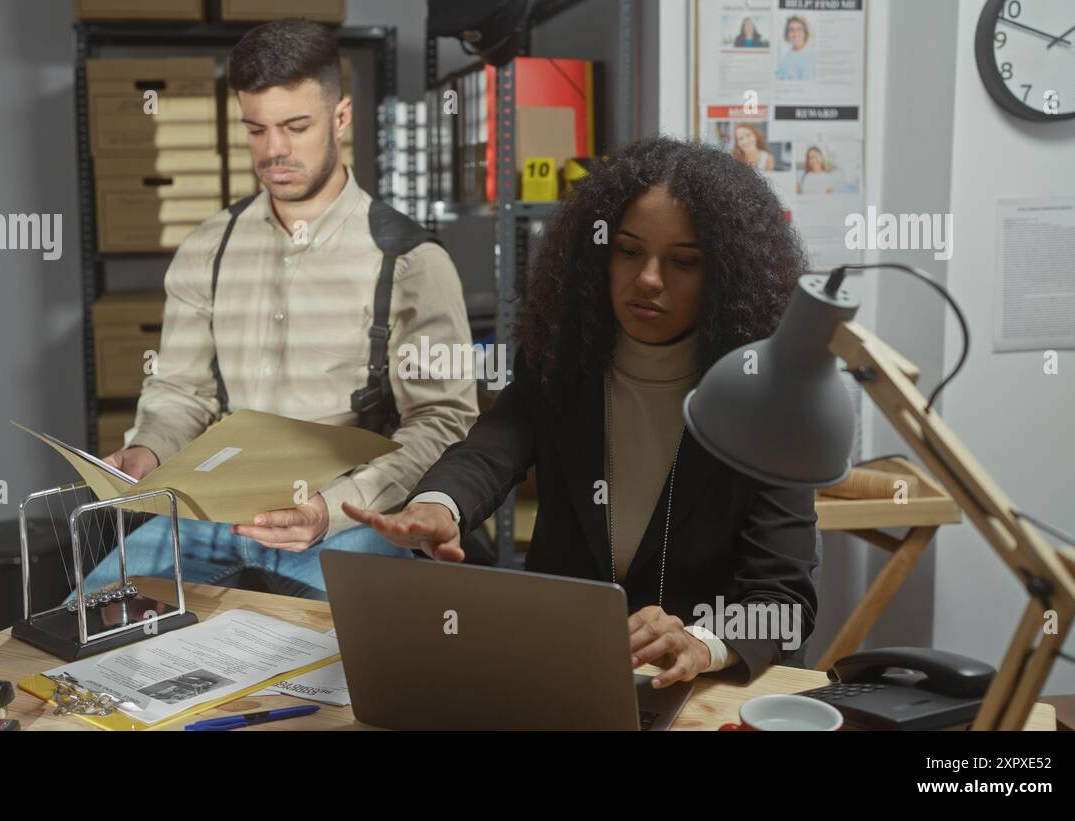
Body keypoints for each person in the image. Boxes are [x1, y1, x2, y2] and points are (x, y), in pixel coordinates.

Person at [344, 137, 819, 687]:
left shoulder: (770, 402)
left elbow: (783, 600)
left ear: (727, 275)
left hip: (706, 691)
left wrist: (703, 643)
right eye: (628, 250)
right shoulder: (562, 358)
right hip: (570, 672)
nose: (648, 278)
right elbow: (491, 448)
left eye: (684, 261)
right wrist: (437, 507)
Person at [81, 19, 479, 600]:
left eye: (296, 126)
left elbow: (442, 423)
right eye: (256, 129)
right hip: (210, 516)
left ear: (341, 117)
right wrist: (148, 450)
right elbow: (180, 392)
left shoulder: (411, 262)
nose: (274, 152)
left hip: (346, 521)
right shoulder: (208, 249)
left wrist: (334, 508)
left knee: (354, 679)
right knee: (79, 632)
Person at [776, 15, 814, 81]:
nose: (795, 33)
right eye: (791, 30)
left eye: (799, 29)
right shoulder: (784, 60)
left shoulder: (814, 54)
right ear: (787, 34)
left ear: (805, 32)